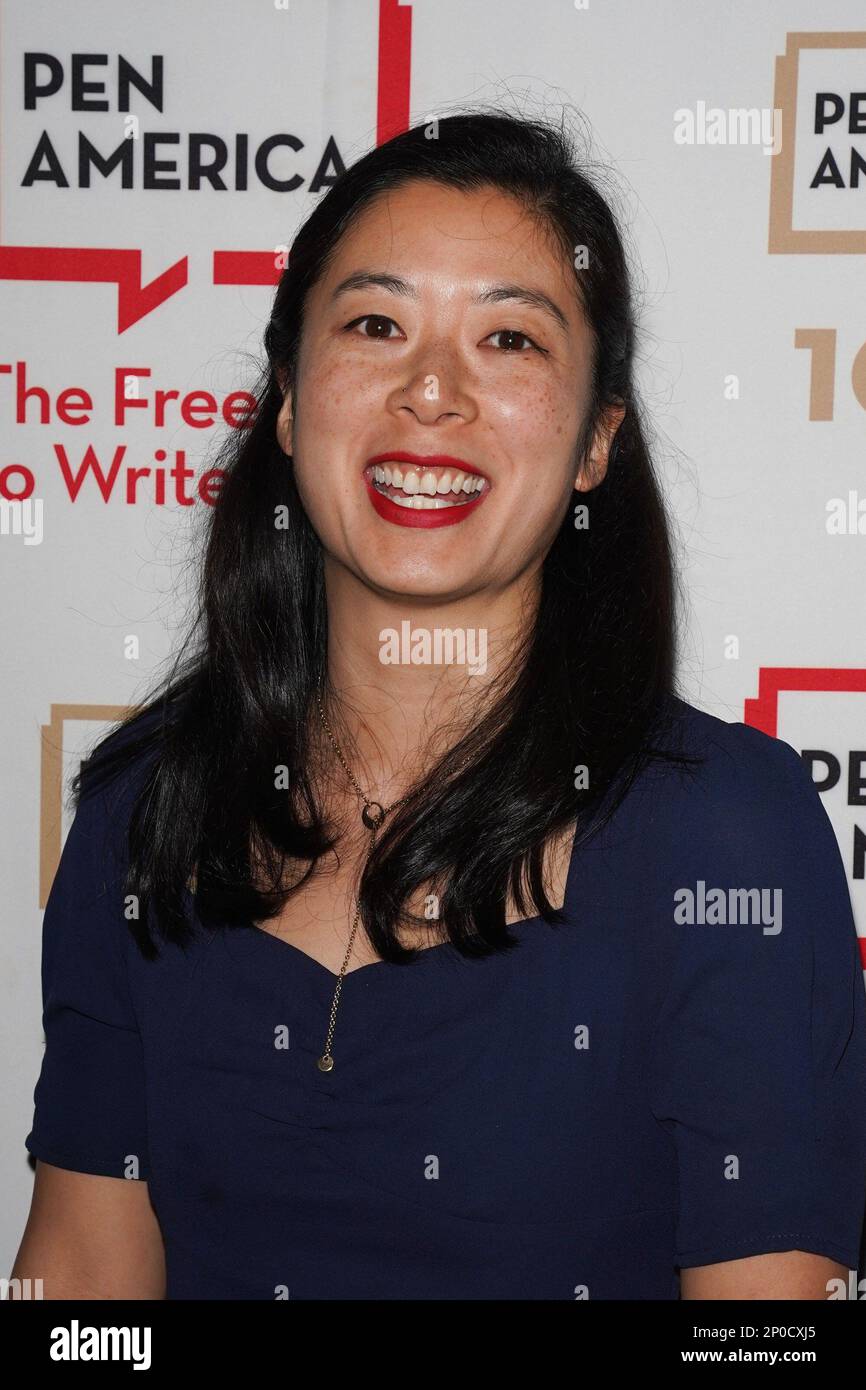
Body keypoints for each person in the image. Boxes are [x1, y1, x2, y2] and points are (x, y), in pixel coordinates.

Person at [11, 110, 866, 1301]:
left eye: (509, 340)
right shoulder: (145, 804)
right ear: (293, 403)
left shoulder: (727, 833)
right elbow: (83, 1292)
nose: (429, 390)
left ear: (592, 444)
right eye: (374, 324)